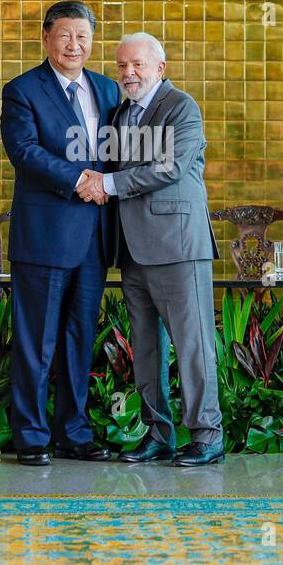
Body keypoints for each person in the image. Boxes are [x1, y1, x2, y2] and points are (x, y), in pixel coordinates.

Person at [77, 31, 224, 466]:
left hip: (178, 246)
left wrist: (106, 184)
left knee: (192, 344)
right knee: (145, 348)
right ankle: (159, 434)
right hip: (132, 249)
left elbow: (169, 167)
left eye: (137, 64)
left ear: (160, 68)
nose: (129, 73)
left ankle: (208, 436)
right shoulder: (122, 113)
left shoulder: (181, 107)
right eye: (122, 65)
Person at [0, 1, 120, 466]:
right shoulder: (23, 90)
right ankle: (31, 436)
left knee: (79, 336)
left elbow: (118, 152)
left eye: (83, 36)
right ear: (46, 37)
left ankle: (74, 433)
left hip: (95, 237)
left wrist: (111, 183)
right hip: (45, 235)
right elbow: (24, 150)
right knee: (37, 339)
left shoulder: (107, 88)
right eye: (66, 35)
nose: (75, 45)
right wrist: (80, 179)